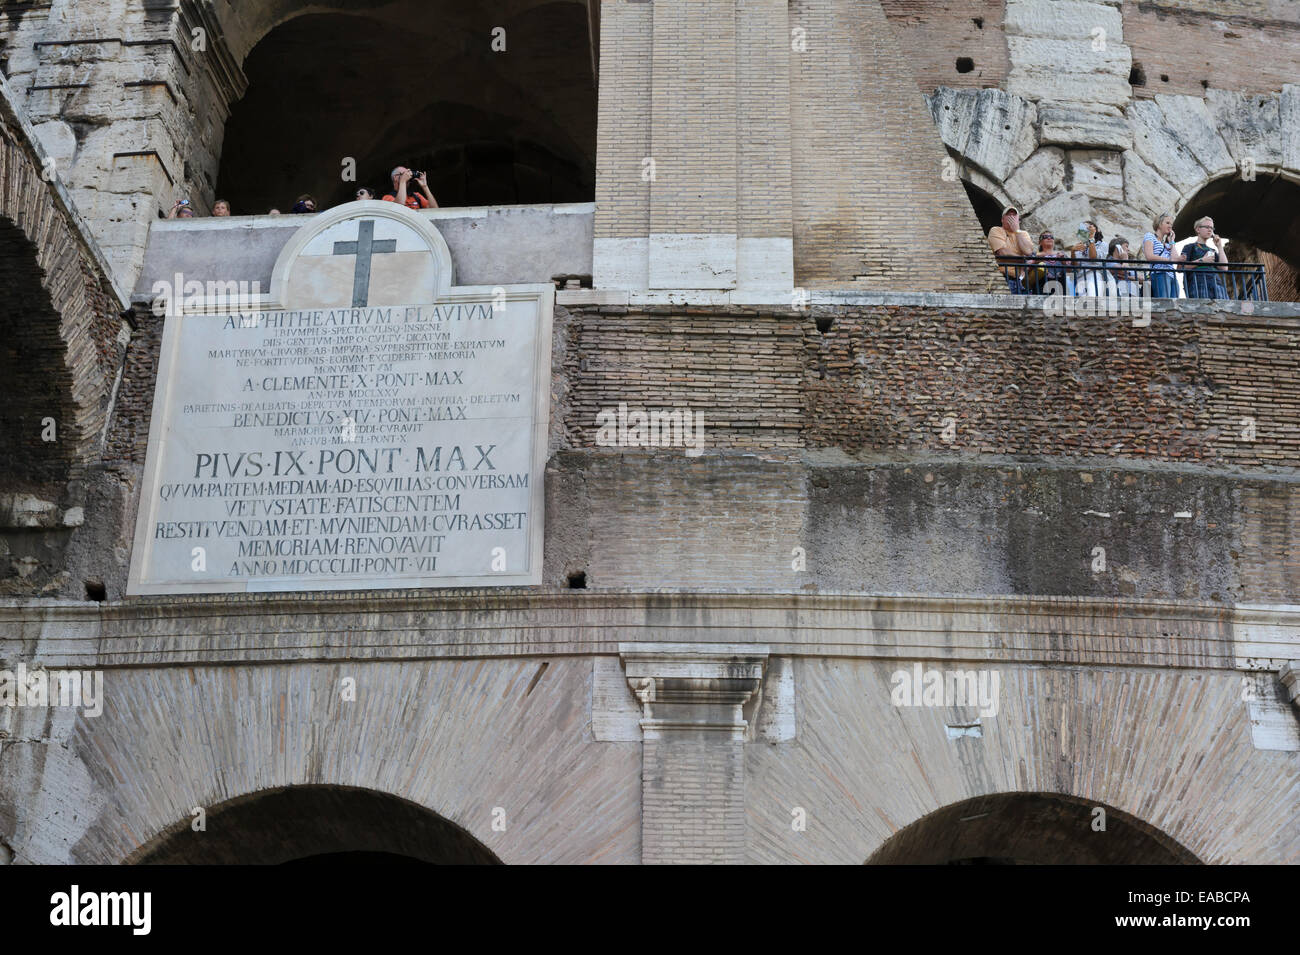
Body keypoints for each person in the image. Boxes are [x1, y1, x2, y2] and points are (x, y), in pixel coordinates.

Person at [987, 206, 1034, 293]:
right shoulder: (996, 230)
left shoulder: (1024, 234)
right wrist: (1023, 260)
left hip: (1020, 280)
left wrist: (1017, 231)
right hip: (1003, 278)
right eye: (1008, 215)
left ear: (1018, 220)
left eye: (1014, 215)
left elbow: (1028, 251)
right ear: (1002, 220)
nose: (1011, 217)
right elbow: (1003, 252)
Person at [1183, 216, 1229, 299]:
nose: (1210, 230)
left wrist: (1219, 247)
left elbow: (1224, 268)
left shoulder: (1212, 250)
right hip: (1198, 283)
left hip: (1216, 283)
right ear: (1198, 229)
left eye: (1212, 228)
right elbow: (1180, 267)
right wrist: (1202, 260)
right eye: (1207, 227)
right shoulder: (1190, 247)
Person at [1142, 213, 1183, 298]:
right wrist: (1169, 260)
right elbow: (1149, 256)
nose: (1170, 226)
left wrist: (1172, 242)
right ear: (1159, 224)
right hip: (1160, 274)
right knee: (1164, 303)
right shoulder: (1150, 236)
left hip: (1172, 276)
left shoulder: (1167, 245)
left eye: (1171, 224)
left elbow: (1175, 259)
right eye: (1167, 223)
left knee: (1174, 307)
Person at [1068, 220, 1103, 296]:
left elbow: (1093, 257)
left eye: (1087, 227)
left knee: (1093, 298)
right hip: (1080, 276)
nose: (1084, 230)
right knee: (1082, 304)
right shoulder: (1079, 246)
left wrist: (1091, 237)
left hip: (1093, 274)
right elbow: (1075, 266)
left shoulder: (1102, 244)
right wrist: (1073, 252)